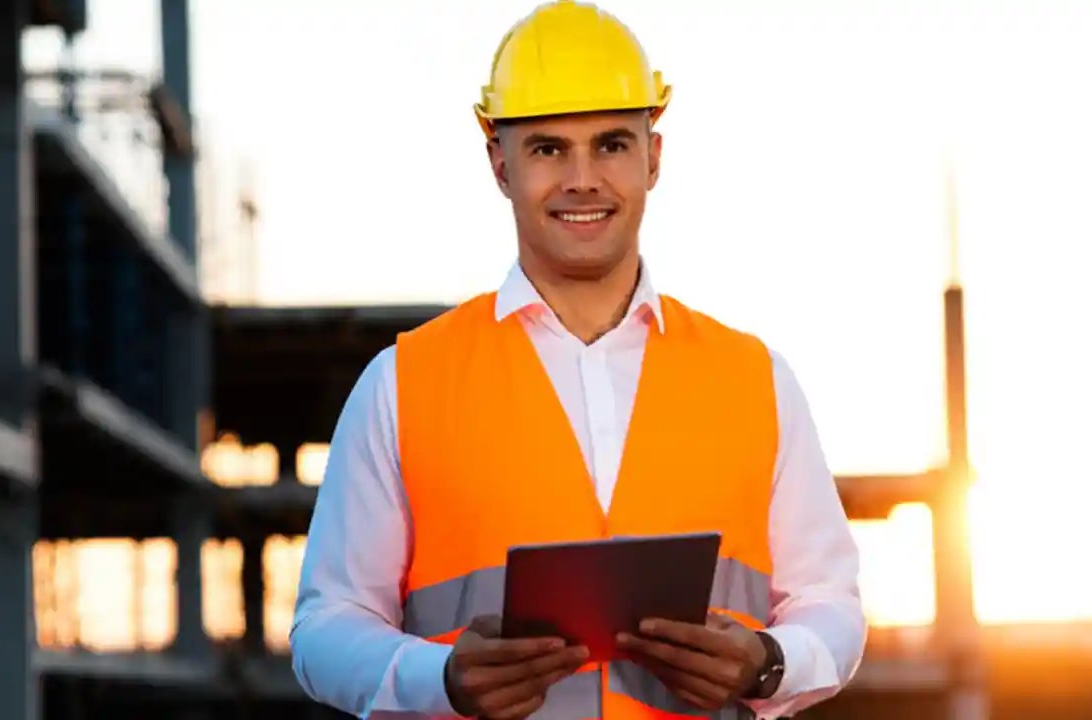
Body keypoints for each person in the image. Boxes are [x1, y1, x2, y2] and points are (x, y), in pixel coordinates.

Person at [290, 1, 866, 718]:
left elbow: (831, 606)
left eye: (612, 144)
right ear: (499, 163)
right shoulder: (402, 386)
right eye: (548, 149)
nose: (583, 179)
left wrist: (768, 662)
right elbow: (326, 627)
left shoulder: (756, 381)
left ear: (654, 157)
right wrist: (441, 678)